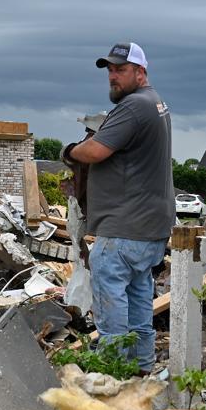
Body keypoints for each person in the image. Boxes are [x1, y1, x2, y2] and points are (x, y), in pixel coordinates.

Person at [60, 42, 174, 374]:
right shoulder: (155, 104)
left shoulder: (134, 106)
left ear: (141, 72)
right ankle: (140, 370)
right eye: (110, 70)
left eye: (120, 70)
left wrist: (69, 151)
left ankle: (112, 378)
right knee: (139, 303)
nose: (113, 76)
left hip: (124, 228)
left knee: (111, 320)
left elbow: (95, 151)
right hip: (149, 229)